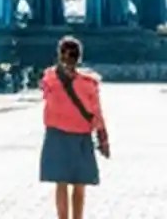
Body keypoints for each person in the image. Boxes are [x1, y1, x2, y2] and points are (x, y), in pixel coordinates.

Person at [40, 36, 110, 219]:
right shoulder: (88, 83)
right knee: (79, 185)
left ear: (59, 55)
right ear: (79, 57)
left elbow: (46, 95)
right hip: (81, 137)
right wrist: (103, 137)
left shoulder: (50, 78)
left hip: (56, 135)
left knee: (61, 184)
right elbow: (96, 112)